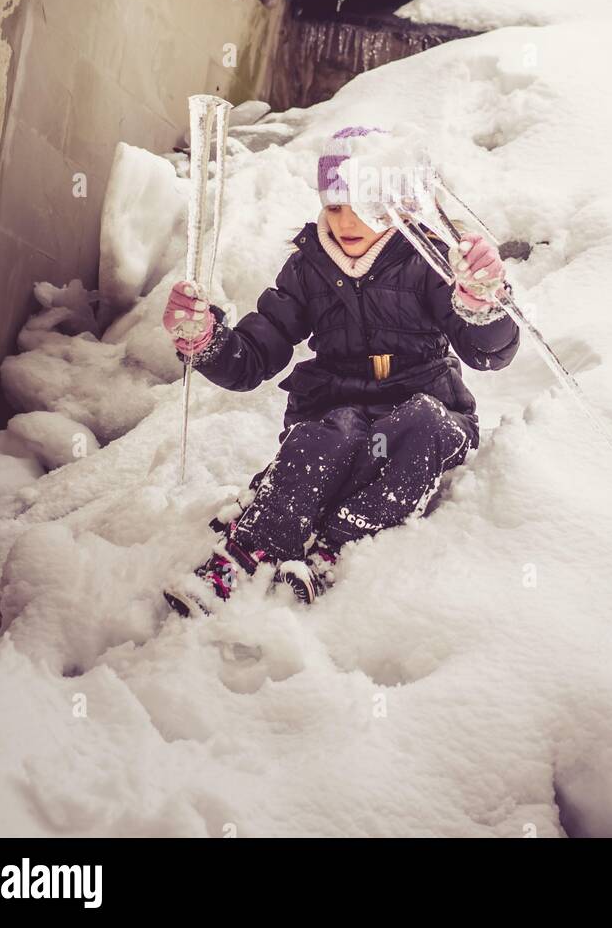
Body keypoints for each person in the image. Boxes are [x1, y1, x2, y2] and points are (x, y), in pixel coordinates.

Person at [161, 126, 520, 616]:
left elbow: (488, 353)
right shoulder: (308, 270)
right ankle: (249, 549)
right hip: (338, 410)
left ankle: (338, 544)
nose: (347, 221)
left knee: (424, 424)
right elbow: (255, 355)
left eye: (364, 207)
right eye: (334, 206)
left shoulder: (430, 263)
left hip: (423, 411)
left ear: (400, 207)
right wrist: (207, 341)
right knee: (325, 435)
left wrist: (484, 303)